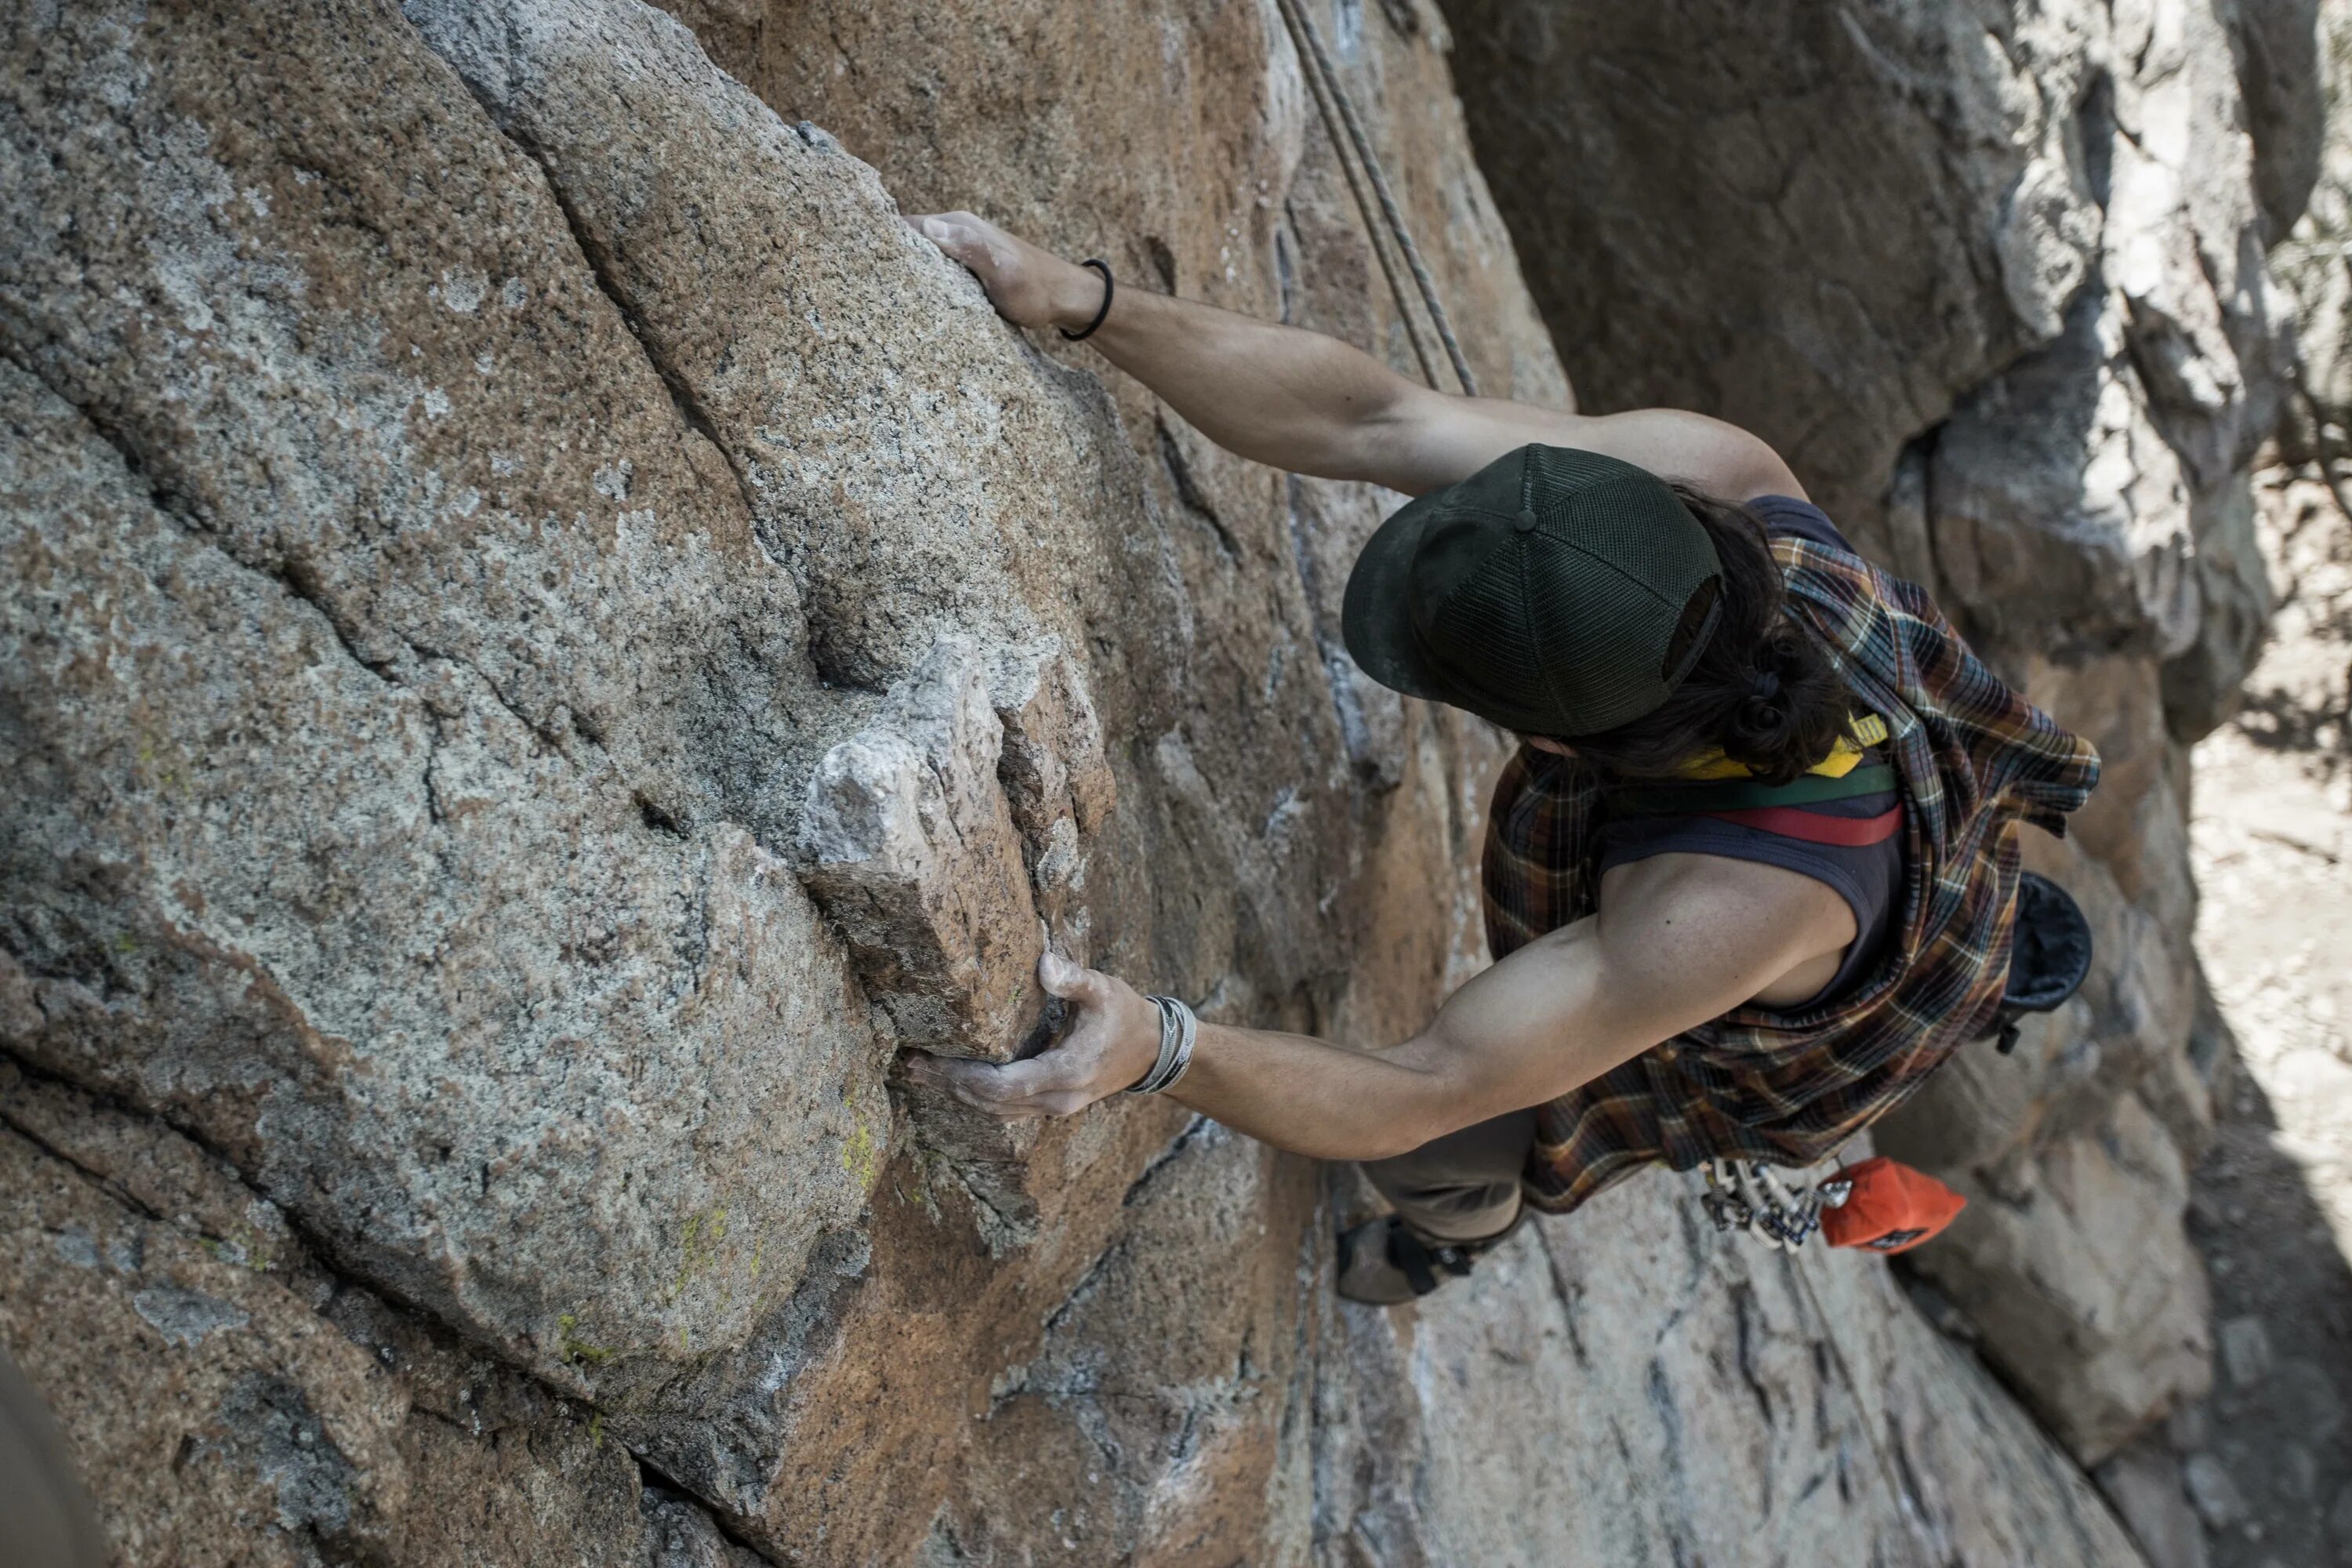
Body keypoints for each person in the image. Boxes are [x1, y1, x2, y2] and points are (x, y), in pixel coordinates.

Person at [898, 212, 2099, 1303]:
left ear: (1553, 746)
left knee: (1471, 1144)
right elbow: (1375, 419)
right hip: (1886, 818)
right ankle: (1989, 915)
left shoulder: (1714, 917)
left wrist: (1158, 1050)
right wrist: (1080, 299)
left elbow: (1427, 1083)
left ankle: (1456, 1232)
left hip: (1835, 952)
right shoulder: (1718, 474)